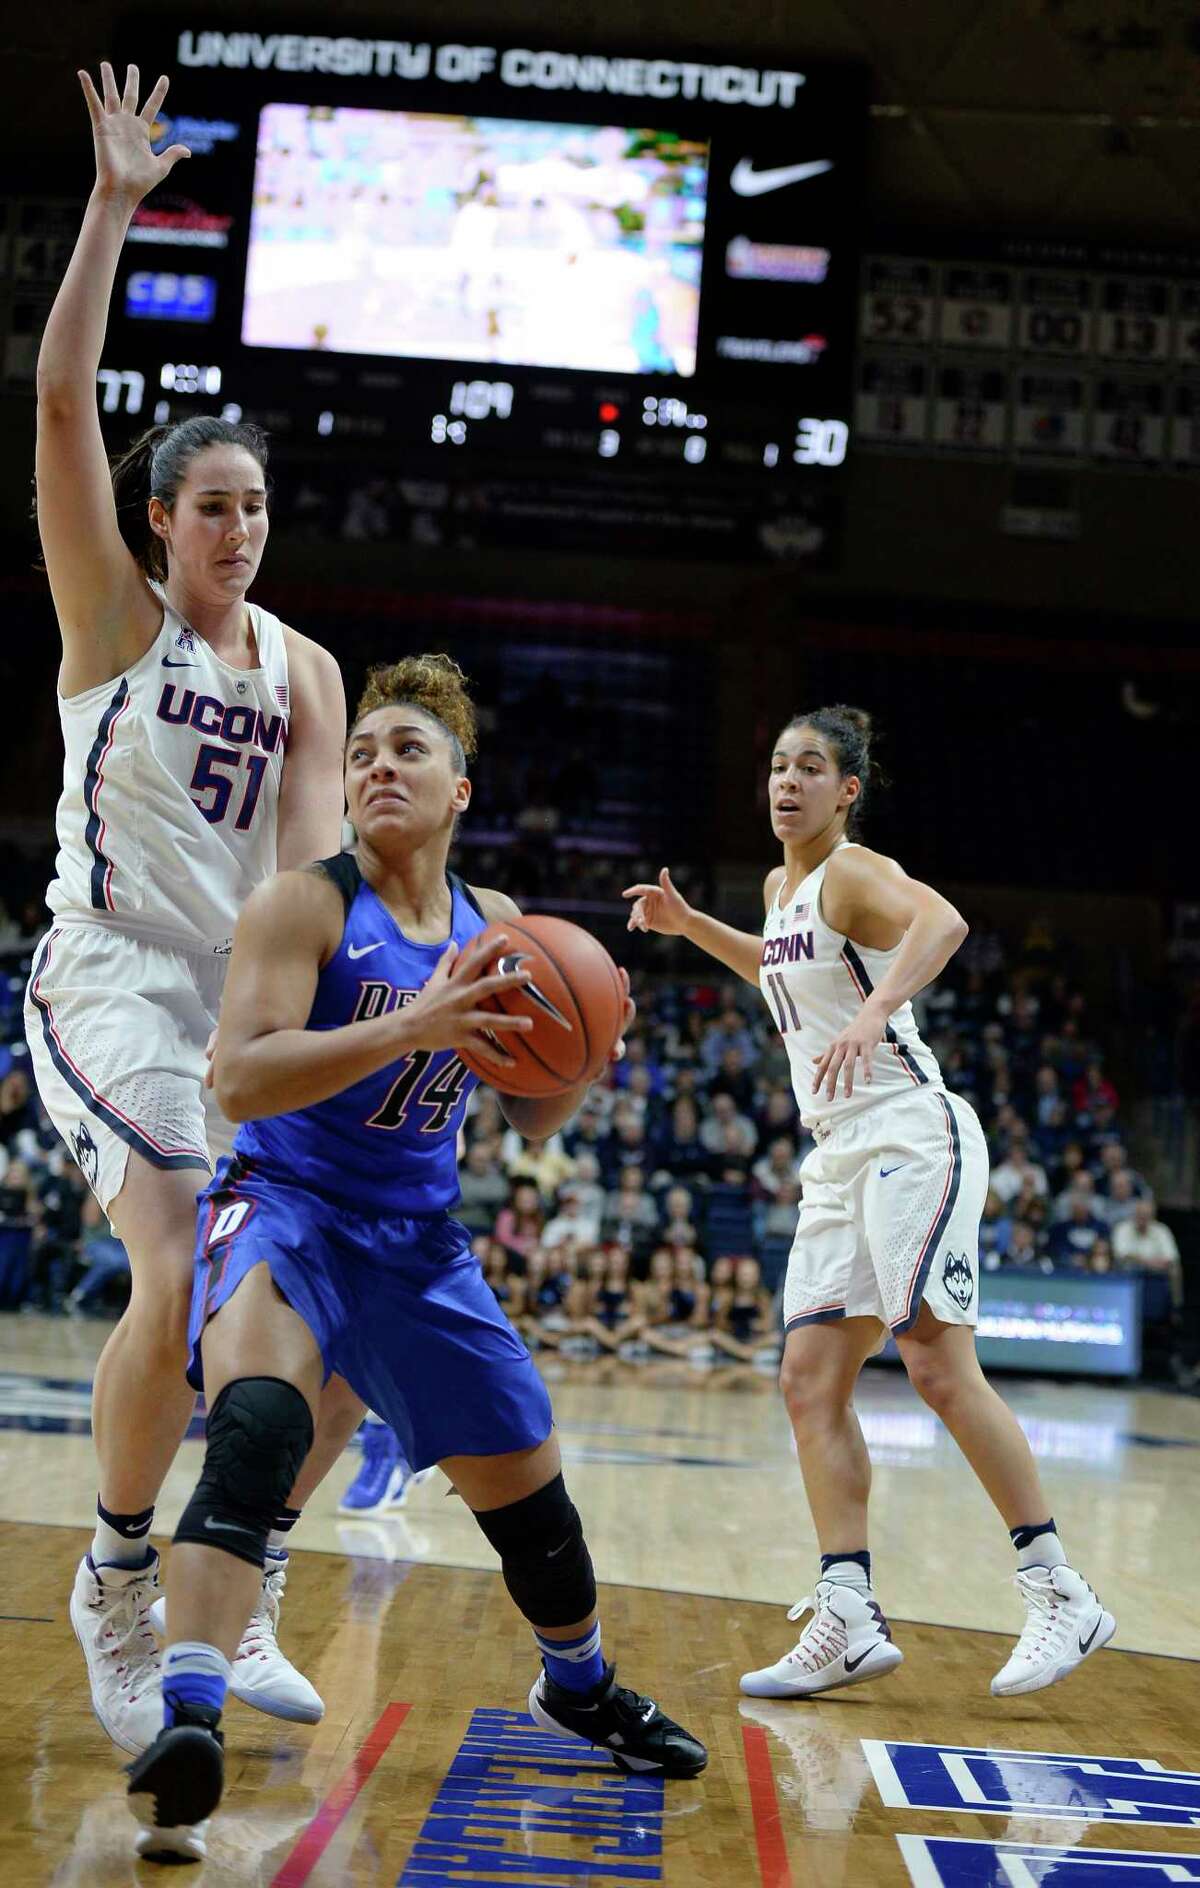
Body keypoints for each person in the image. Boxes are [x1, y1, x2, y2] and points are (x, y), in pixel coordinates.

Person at [125, 655, 705, 1861]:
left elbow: (531, 1115)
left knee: (533, 1500)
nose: (379, 766)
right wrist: (414, 1022)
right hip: (288, 1209)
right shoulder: (304, 905)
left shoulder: (501, 927)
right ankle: (188, 1718)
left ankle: (579, 1686)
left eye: (408, 750)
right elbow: (239, 1079)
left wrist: (585, 1055)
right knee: (258, 1430)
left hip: (419, 1245)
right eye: (363, 753)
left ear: (460, 791)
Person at [24, 62, 359, 1754]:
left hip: (236, 997)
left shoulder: (306, 668)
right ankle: (116, 1576)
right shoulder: (113, 622)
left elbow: (310, 880)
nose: (239, 526)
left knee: (322, 1296)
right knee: (168, 1249)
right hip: (109, 975)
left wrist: (350, 1030)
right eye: (211, 504)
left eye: (256, 505)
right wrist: (110, 210)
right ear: (159, 522)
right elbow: (61, 403)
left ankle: (246, 1573)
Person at [626, 703, 1113, 1702]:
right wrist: (692, 927)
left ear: (847, 790)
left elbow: (945, 922)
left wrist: (880, 1009)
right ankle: (847, 1609)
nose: (787, 782)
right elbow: (781, 972)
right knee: (809, 1379)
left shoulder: (851, 871)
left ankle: (1058, 1587)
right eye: (777, 765)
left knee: (934, 1361)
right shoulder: (784, 889)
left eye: (810, 767)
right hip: (838, 1153)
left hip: (909, 1130)